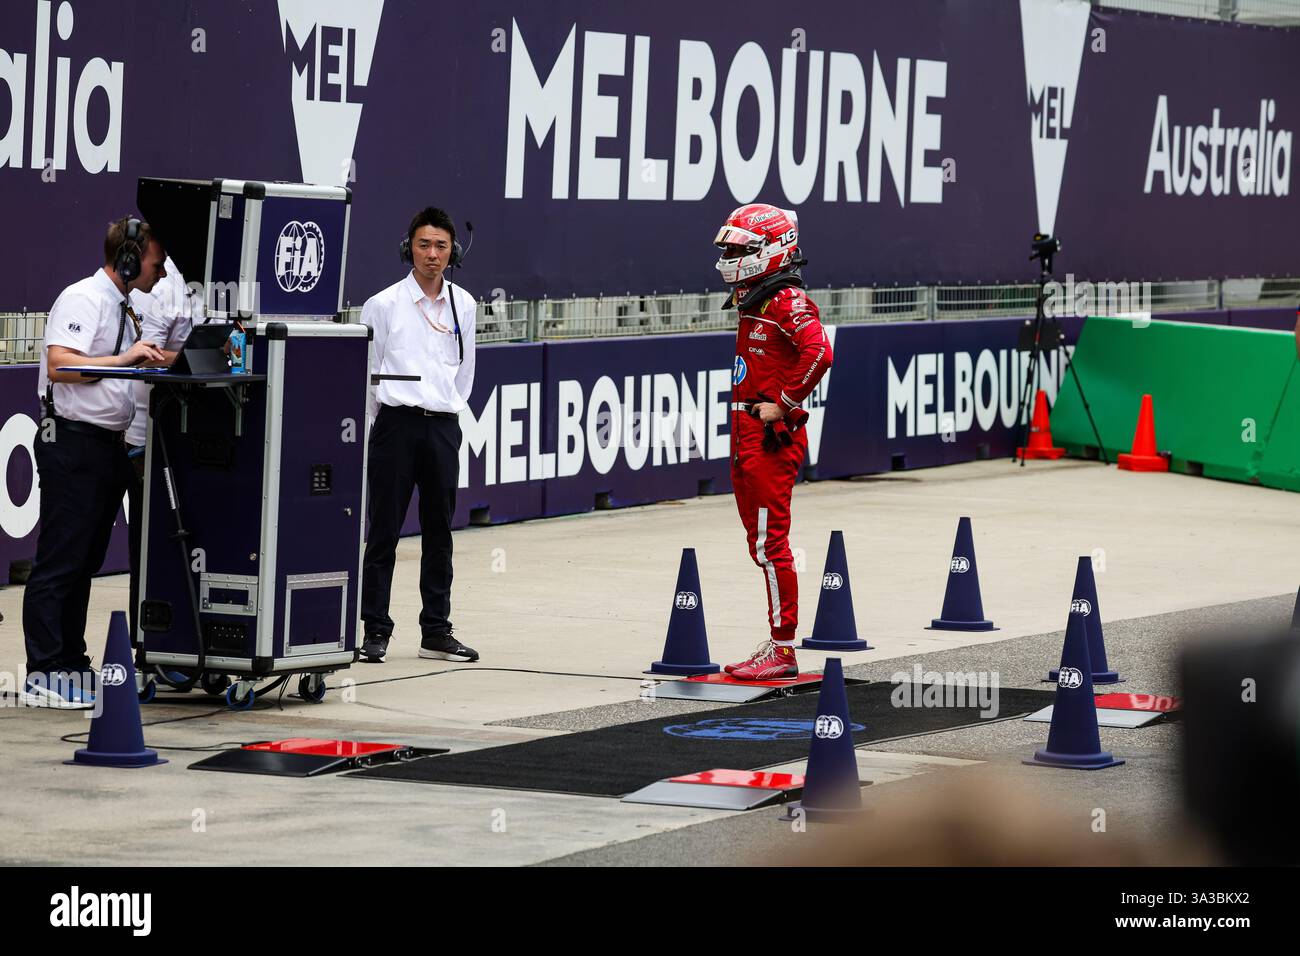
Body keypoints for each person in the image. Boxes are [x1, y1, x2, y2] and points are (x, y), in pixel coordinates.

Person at [21, 217, 166, 706]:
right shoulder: (83, 298)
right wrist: (127, 360)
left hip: (107, 444)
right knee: (62, 557)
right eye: (154, 262)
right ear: (129, 259)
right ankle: (43, 669)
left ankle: (70, 661)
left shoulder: (123, 305)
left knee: (86, 559)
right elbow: (61, 365)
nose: (161, 272)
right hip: (71, 442)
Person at [714, 203, 833, 681]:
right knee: (758, 543)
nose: (729, 254)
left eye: (739, 247)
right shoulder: (757, 300)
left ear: (772, 249)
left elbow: (819, 352)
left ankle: (782, 650)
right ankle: (777, 643)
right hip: (746, 433)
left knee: (770, 544)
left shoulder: (787, 301)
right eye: (728, 246)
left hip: (769, 436)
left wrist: (783, 401)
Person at [358, 207, 478, 664]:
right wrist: (388, 420)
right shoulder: (384, 304)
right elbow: (368, 374)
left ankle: (436, 629)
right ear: (409, 247)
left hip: (443, 426)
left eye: (441, 246)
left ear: (453, 252)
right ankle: (375, 629)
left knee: (439, 530)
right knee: (383, 530)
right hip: (396, 424)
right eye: (424, 244)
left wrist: (444, 406)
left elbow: (464, 373)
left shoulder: (463, 305)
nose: (432, 254)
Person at [125, 255, 198, 654]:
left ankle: (167, 643)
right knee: (147, 545)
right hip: (139, 437)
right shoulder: (162, 287)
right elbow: (143, 356)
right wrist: (200, 359)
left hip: (179, 432)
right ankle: (144, 644)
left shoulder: (208, 281)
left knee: (167, 544)